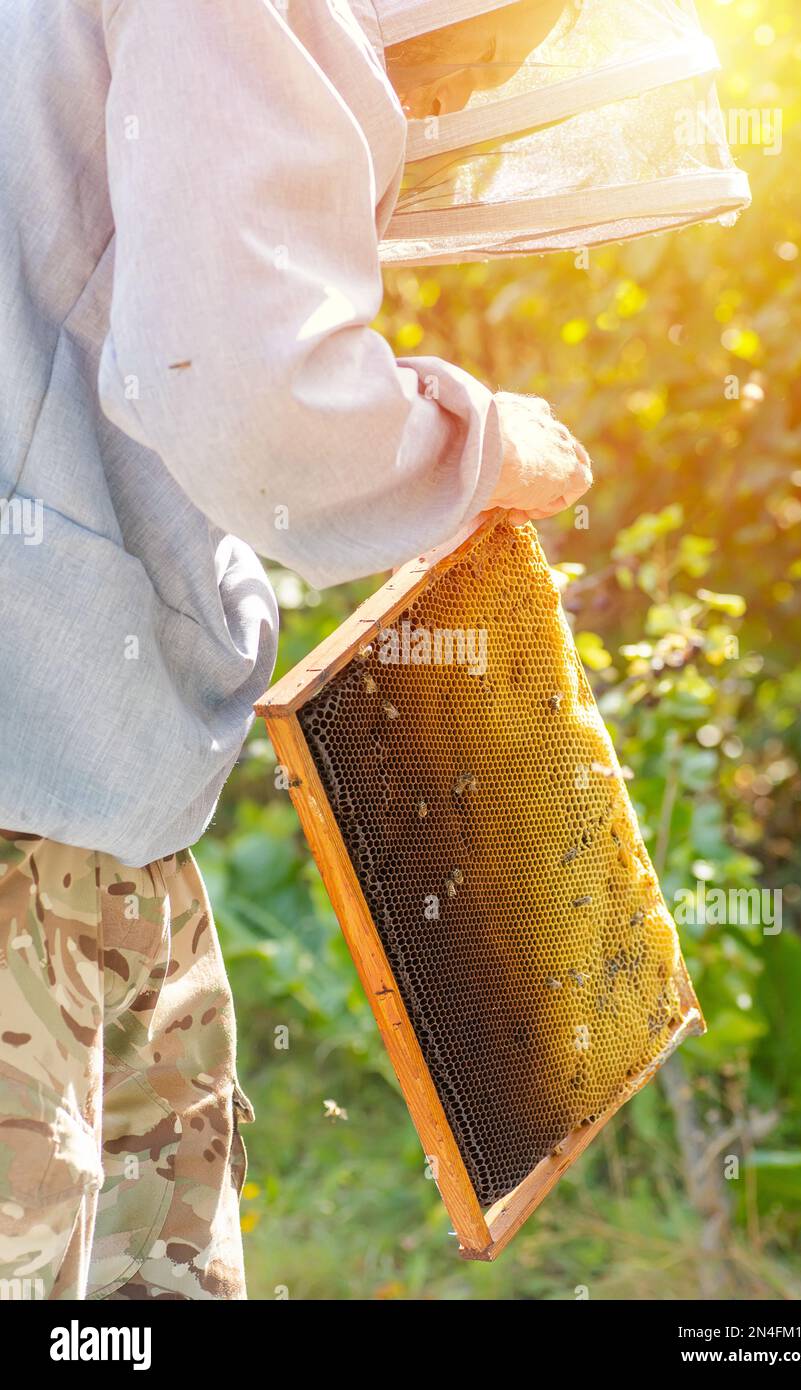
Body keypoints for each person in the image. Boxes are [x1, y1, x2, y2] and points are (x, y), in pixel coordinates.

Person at [0, 0, 589, 1300]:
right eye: (522, 26)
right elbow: (243, 385)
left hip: (95, 791)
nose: (499, 67)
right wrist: (478, 449)